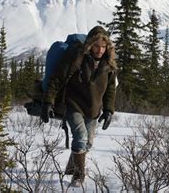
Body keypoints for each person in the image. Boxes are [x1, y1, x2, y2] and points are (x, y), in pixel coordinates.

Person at [41, 26, 117, 187]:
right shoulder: (77, 57)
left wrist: (109, 110)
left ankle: (71, 166)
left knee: (87, 143)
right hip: (73, 104)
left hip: (93, 109)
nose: (100, 50)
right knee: (81, 137)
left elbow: (111, 89)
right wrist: (48, 101)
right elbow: (57, 79)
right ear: (90, 44)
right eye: (97, 45)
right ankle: (78, 175)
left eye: (104, 46)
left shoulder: (109, 65)